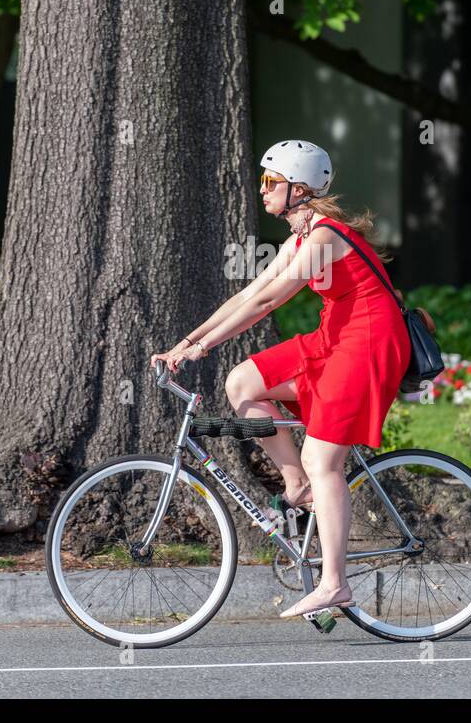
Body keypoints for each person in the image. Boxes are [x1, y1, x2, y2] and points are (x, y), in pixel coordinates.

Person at [149, 140, 411, 619]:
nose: (263, 189)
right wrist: (186, 343)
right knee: (242, 384)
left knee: (322, 457)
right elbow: (250, 293)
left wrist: (202, 348)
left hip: (368, 343)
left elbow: (270, 304)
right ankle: (299, 488)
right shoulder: (302, 235)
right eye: (263, 180)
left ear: (299, 189)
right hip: (335, 337)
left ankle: (334, 585)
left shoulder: (325, 238)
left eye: (271, 182)